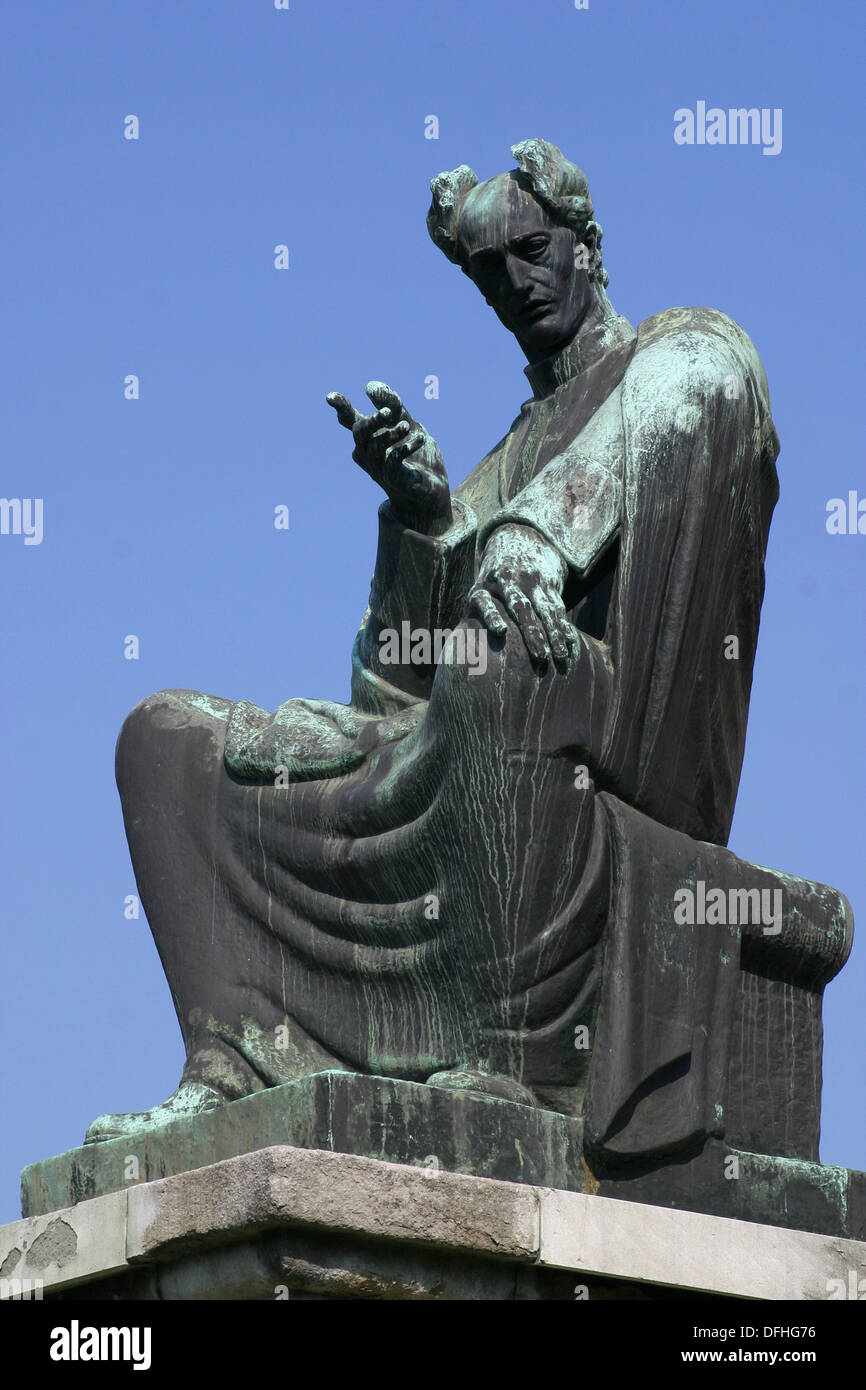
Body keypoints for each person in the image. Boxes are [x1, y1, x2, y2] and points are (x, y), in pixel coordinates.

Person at [86, 140, 849, 1164]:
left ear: (586, 245)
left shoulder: (682, 353)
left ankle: (513, 1062)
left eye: (531, 251)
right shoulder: (504, 454)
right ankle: (235, 1059)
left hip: (624, 743)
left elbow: (702, 381)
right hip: (467, 747)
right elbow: (391, 693)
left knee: (504, 661)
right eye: (488, 270)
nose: (513, 283)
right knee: (165, 739)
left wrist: (535, 538)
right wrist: (424, 520)